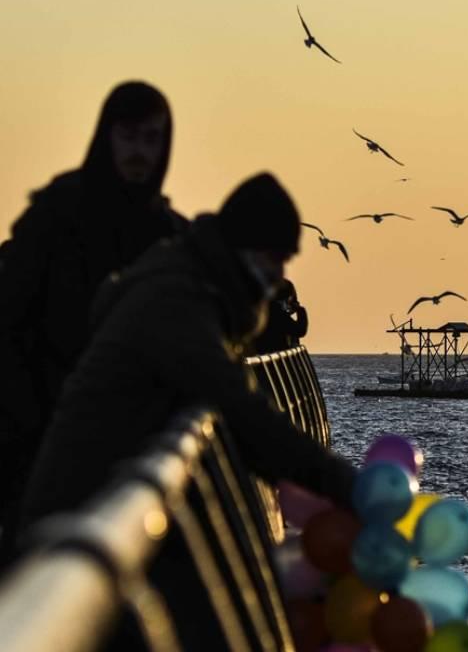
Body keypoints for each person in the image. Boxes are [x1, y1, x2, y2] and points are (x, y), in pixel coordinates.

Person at [15, 173, 355, 537]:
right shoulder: (177, 301)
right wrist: (343, 484)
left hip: (92, 502)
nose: (278, 274)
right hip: (75, 524)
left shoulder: (192, 281)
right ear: (245, 249)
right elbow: (237, 406)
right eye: (274, 258)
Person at [0, 81, 185, 554]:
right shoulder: (56, 214)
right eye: (128, 137)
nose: (139, 153)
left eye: (151, 139)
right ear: (106, 137)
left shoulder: (166, 235)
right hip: (39, 435)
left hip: (125, 445)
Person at [254, 278, 309, 353]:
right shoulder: (276, 311)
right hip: (274, 355)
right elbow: (299, 330)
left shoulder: (263, 309)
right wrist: (300, 310)